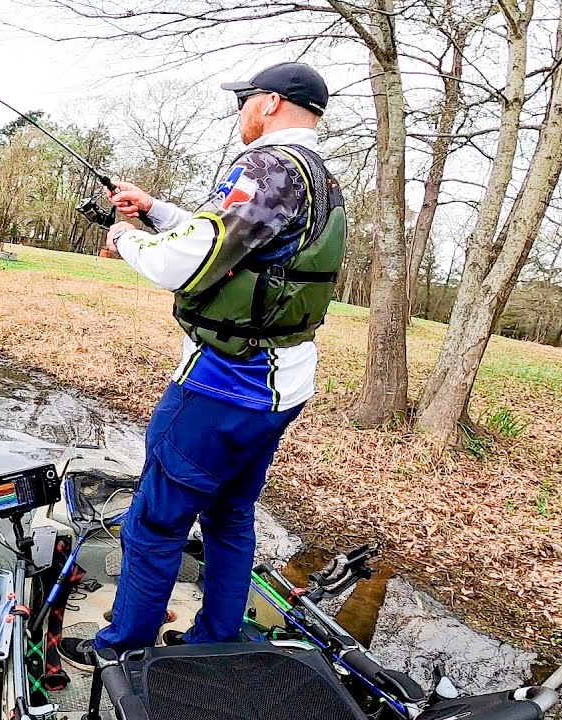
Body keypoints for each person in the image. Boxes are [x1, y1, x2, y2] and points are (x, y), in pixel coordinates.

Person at [61, 62, 347, 667]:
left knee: (154, 523)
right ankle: (216, 636)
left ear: (268, 103)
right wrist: (156, 210)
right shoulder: (318, 177)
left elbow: (186, 264)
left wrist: (125, 235)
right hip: (280, 386)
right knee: (229, 512)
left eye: (244, 100)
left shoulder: (269, 165)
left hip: (224, 385)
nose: (240, 111)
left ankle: (123, 649)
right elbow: (234, 240)